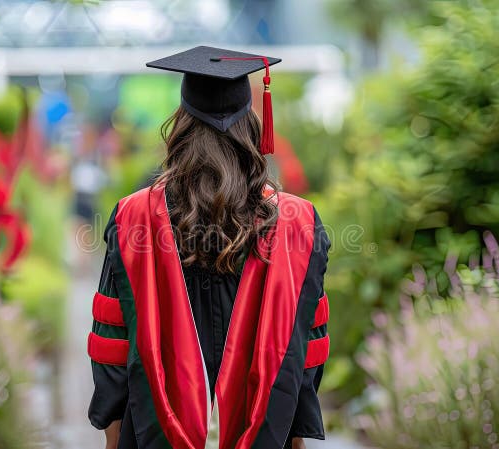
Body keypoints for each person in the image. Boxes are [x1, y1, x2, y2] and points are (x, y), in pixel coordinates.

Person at [86, 46, 331, 449]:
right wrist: (297, 427)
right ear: (252, 125)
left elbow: (112, 336)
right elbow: (306, 345)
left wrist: (113, 429)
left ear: (181, 124)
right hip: (270, 431)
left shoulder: (133, 218)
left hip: (150, 430)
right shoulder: (299, 224)